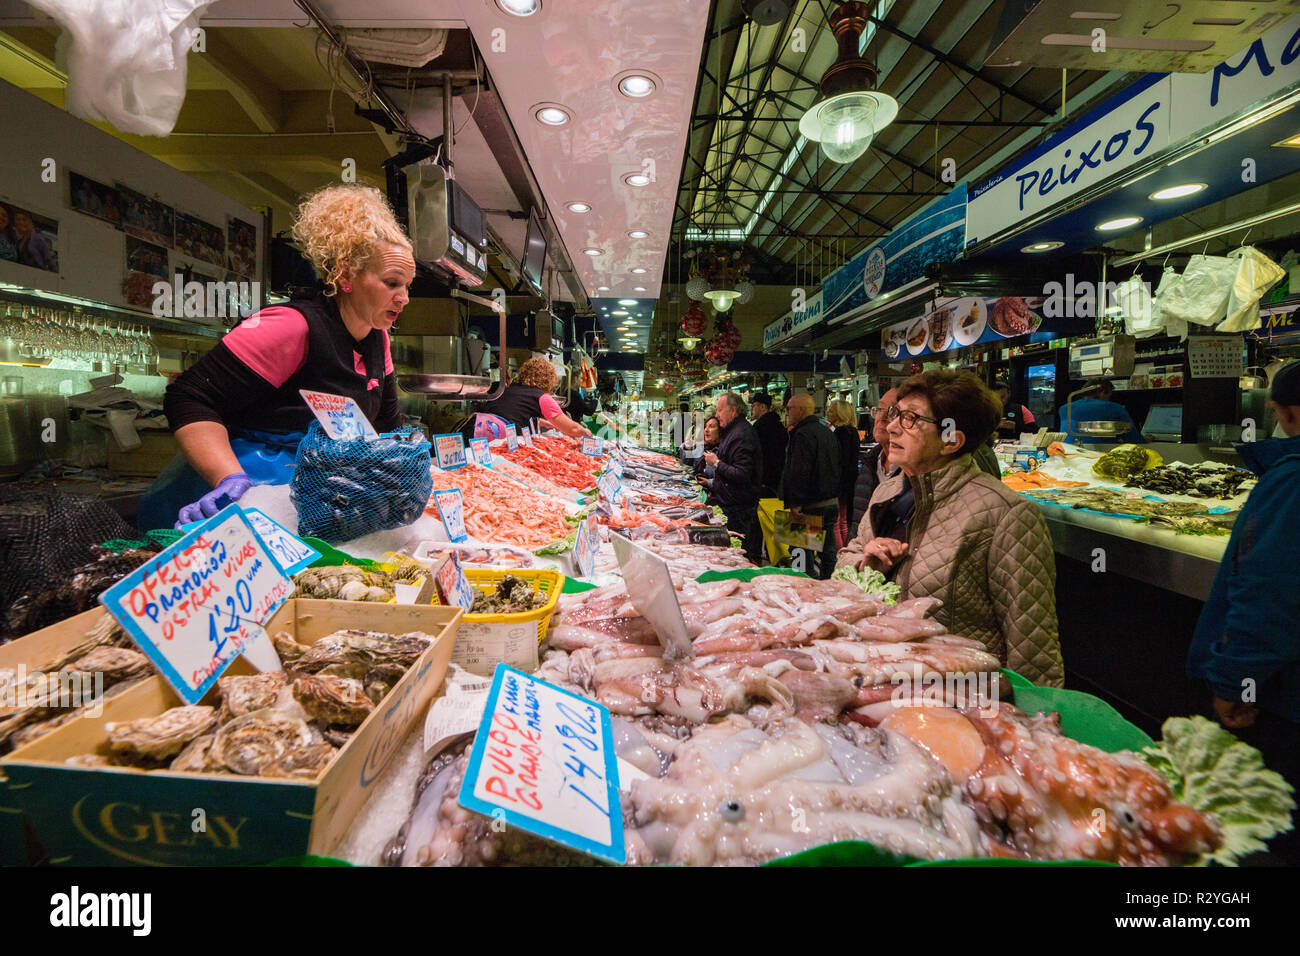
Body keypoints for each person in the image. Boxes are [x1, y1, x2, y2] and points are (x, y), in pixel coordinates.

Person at [140, 183, 413, 531]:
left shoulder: (378, 340)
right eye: (392, 283)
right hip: (231, 503)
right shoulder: (290, 325)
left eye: (408, 286)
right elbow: (189, 395)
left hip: (305, 505)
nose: (404, 298)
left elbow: (387, 429)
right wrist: (228, 479)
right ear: (346, 276)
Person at [838, 370, 1065, 687]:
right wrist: (866, 563)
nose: (891, 427)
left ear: (951, 440)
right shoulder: (887, 493)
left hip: (963, 698)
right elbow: (844, 563)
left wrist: (1036, 718)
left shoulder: (1007, 515)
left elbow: (1033, 646)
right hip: (883, 682)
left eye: (911, 419)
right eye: (894, 415)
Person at [1187, 361, 1300, 858]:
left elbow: (1271, 593)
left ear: (1286, 413)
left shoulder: (1290, 480)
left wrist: (1234, 682)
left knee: (1263, 830)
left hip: (1284, 699)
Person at [782, 393, 841, 578]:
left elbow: (800, 471)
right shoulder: (827, 431)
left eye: (789, 408)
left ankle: (804, 589)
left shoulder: (802, 434)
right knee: (828, 552)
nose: (787, 412)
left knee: (800, 553)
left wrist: (795, 503)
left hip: (808, 507)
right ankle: (829, 588)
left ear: (801, 410)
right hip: (830, 503)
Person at [472, 355, 592, 440]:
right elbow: (572, 429)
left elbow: (514, 413)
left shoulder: (508, 390)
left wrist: (541, 422)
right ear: (549, 379)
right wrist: (586, 433)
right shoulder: (542, 397)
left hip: (474, 430)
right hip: (499, 437)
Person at [704, 391, 762, 562]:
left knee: (740, 557)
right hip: (733, 507)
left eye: (720, 410)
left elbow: (742, 474)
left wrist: (716, 463)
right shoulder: (733, 431)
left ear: (733, 410)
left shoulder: (741, 434)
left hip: (740, 510)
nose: (716, 415)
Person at [849, 388, 900, 534]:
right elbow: (857, 525)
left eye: (892, 411)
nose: (881, 418)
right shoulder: (870, 462)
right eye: (879, 409)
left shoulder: (916, 471)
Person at [1058, 378, 1143, 444]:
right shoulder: (1114, 408)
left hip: (1067, 455)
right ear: (1102, 391)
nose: (1108, 399)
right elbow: (1134, 439)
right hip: (1097, 457)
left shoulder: (1064, 408)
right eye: (1109, 396)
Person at [827, 399, 860, 549]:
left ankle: (839, 553)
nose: (828, 413)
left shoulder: (839, 433)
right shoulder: (853, 431)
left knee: (835, 522)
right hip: (850, 482)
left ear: (840, 414)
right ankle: (846, 549)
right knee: (844, 521)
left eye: (832, 411)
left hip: (838, 483)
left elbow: (838, 460)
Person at [750, 392, 787, 496]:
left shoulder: (760, 426)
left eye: (754, 405)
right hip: (777, 475)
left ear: (762, 407)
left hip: (763, 477)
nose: (752, 408)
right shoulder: (779, 424)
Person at [692, 415, 721, 499]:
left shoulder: (724, 450)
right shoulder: (703, 446)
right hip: (699, 492)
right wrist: (687, 447)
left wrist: (708, 482)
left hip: (716, 497)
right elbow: (688, 464)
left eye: (711, 427)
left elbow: (729, 480)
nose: (706, 430)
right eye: (705, 427)